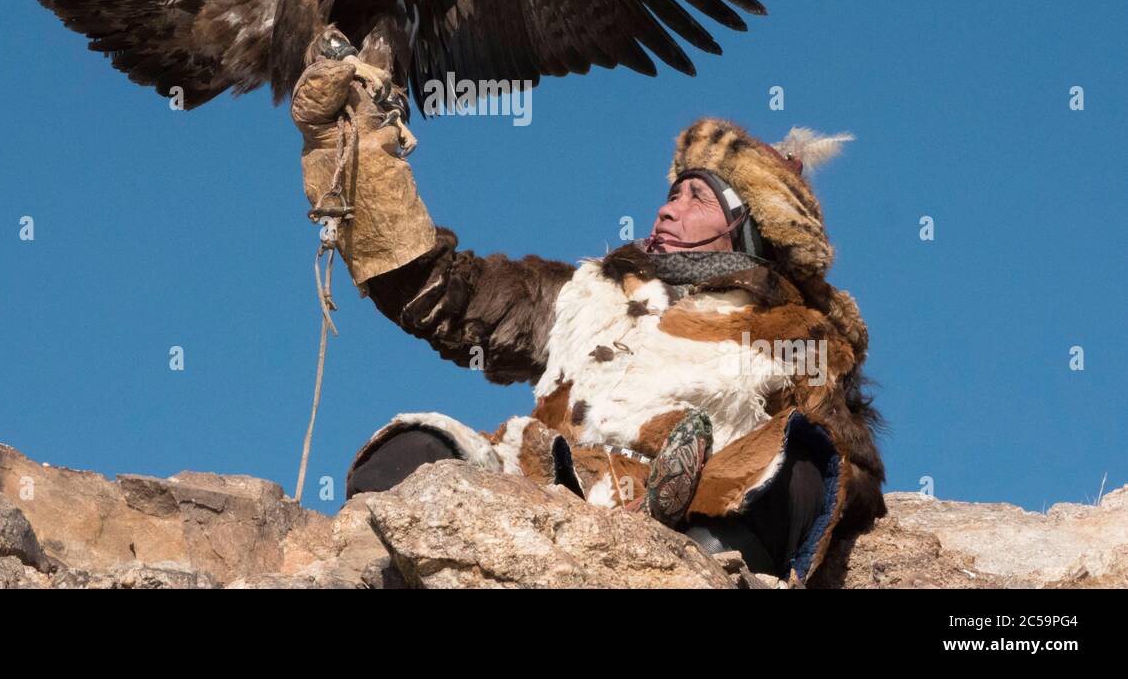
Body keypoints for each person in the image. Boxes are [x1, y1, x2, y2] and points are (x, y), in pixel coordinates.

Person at [290, 43, 887, 586]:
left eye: (697, 198)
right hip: (547, 479)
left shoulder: (792, 331)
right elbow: (443, 293)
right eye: (672, 193)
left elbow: (848, 466)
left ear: (746, 230)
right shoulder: (588, 291)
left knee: (803, 460)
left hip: (699, 503)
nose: (668, 209)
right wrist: (352, 152)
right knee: (409, 452)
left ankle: (687, 547)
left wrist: (713, 485)